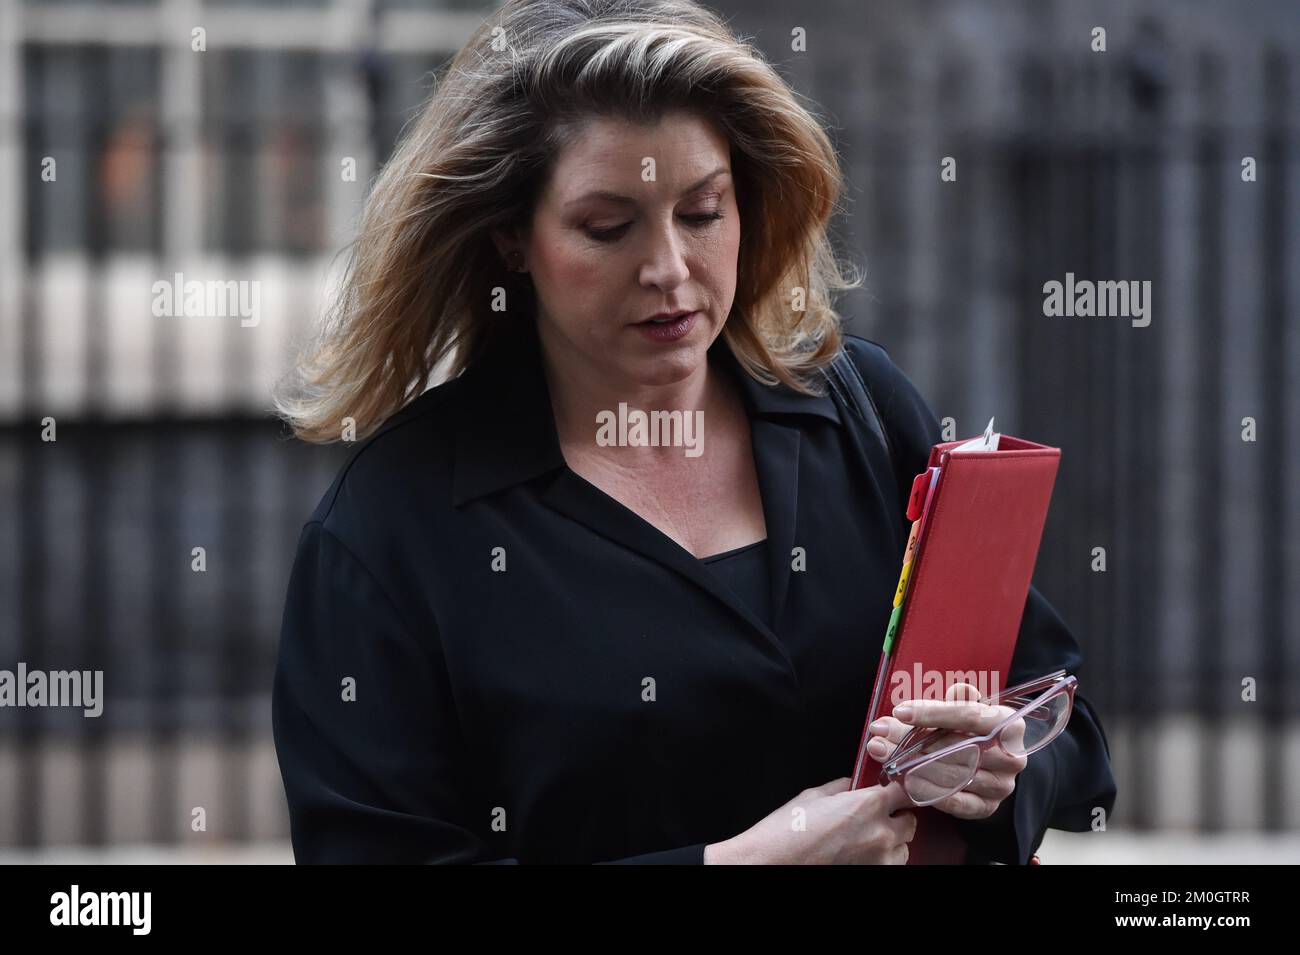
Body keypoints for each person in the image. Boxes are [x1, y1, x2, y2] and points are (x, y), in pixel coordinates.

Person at [271, 0, 1116, 864]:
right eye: (608, 226)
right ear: (510, 238)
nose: (669, 269)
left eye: (703, 211)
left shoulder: (860, 409)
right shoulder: (389, 527)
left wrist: (1002, 762)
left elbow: (1067, 722)